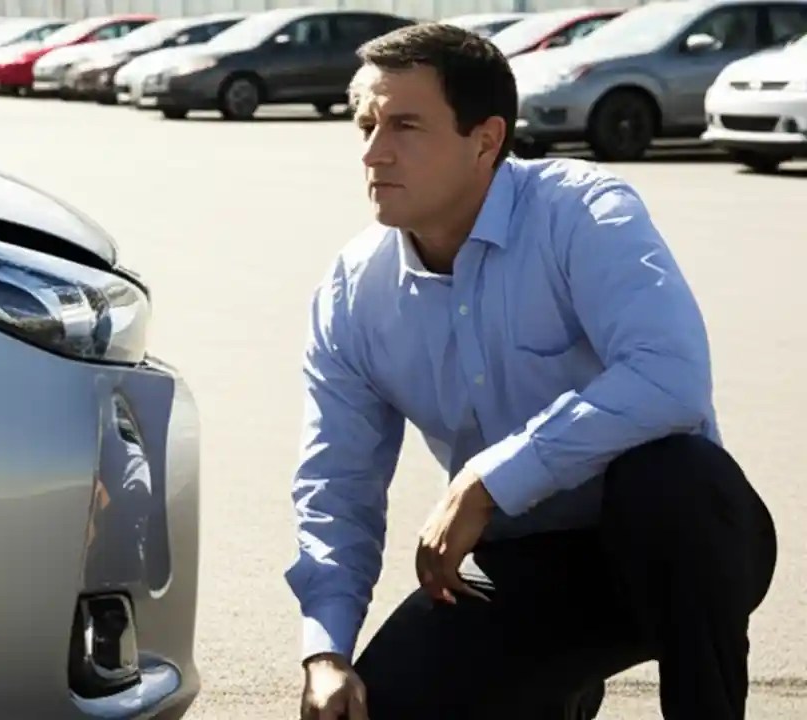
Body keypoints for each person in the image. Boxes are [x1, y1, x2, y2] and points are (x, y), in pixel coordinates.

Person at [286, 22, 778, 720]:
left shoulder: (581, 212)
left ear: (486, 139)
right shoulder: (353, 292)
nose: (373, 151)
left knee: (673, 480)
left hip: (673, 548)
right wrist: (326, 653)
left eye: (404, 125)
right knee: (378, 703)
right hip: (527, 565)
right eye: (364, 123)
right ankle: (560, 689)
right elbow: (336, 485)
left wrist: (491, 479)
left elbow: (670, 375)